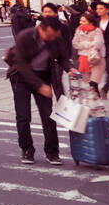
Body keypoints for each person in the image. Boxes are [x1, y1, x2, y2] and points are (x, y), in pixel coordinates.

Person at [5, 15, 71, 164]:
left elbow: (62, 58)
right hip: (21, 77)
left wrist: (70, 69)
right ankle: (27, 150)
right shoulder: (25, 36)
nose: (50, 38)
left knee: (48, 115)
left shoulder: (55, 37)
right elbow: (21, 64)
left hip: (43, 76)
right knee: (23, 116)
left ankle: (52, 152)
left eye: (53, 36)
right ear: (41, 29)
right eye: (48, 35)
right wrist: (39, 86)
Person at [71, 11, 105, 95]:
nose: (81, 23)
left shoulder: (97, 30)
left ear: (90, 22)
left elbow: (98, 43)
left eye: (83, 21)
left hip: (96, 58)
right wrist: (88, 43)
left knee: (94, 81)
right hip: (83, 58)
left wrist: (83, 44)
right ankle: (95, 100)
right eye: (80, 21)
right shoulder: (78, 30)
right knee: (90, 83)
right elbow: (75, 43)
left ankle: (96, 100)